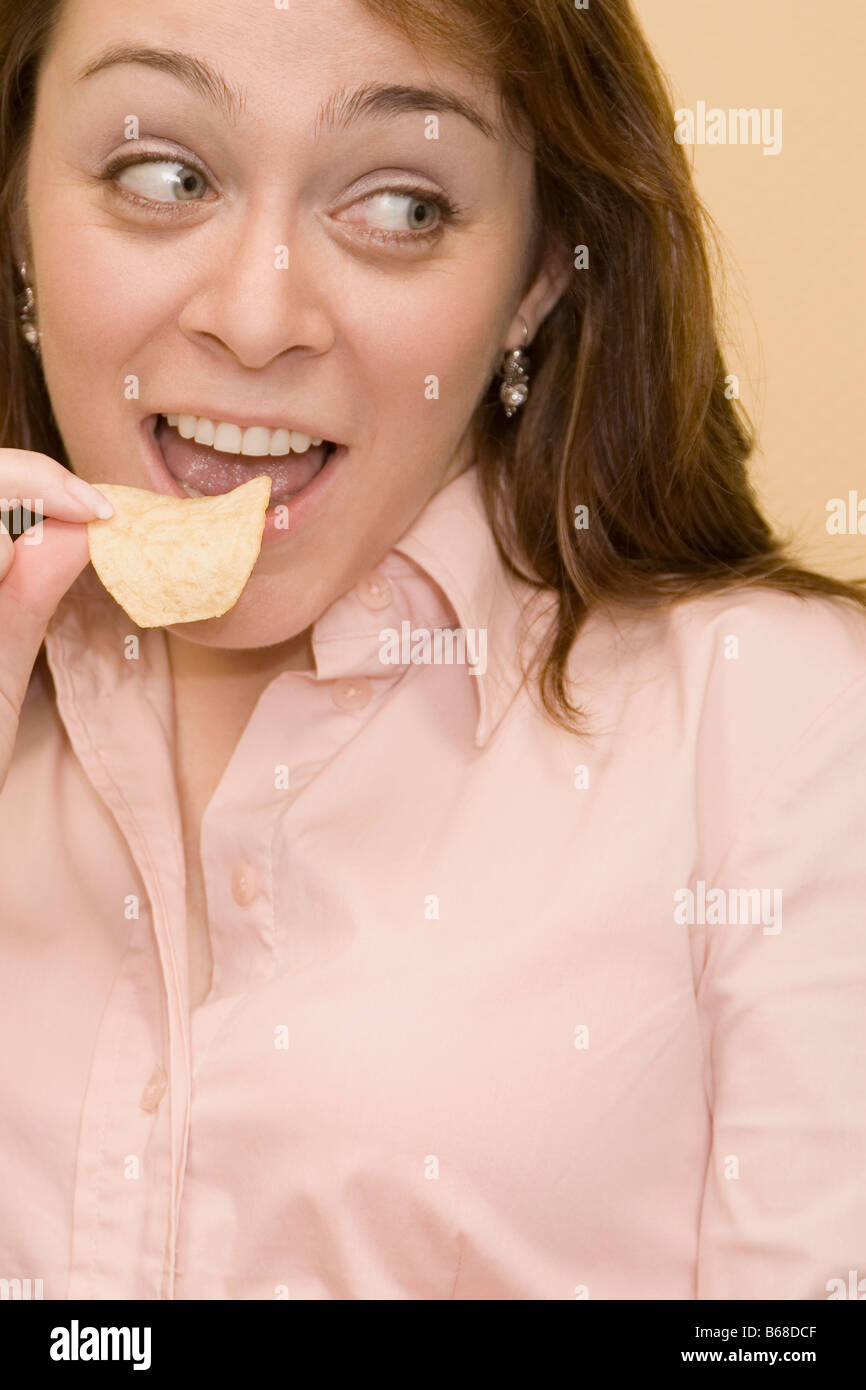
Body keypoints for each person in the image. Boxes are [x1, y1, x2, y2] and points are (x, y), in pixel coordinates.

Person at [0, 0, 864, 1302]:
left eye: (400, 206)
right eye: (162, 175)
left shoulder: (783, 727)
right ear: (16, 210)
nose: (255, 314)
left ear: (534, 278)